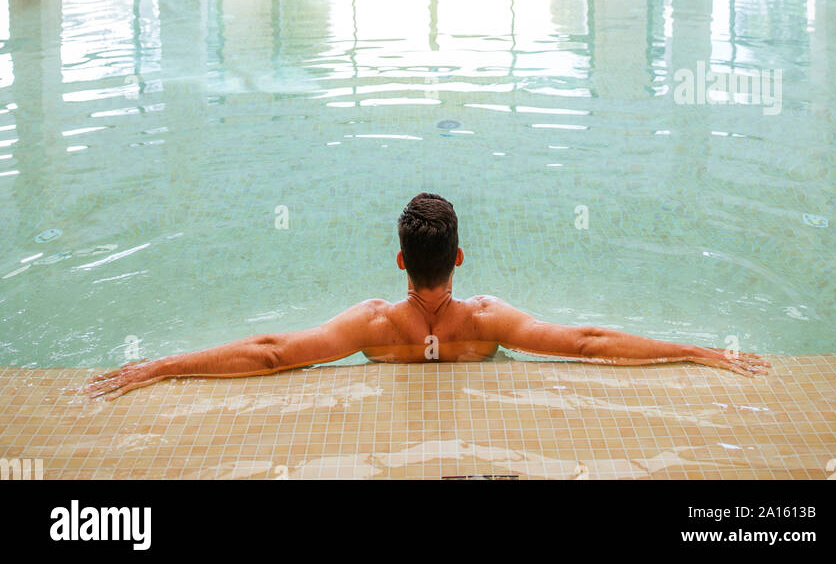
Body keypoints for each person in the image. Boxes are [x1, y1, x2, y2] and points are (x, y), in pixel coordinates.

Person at [87, 192, 769, 400]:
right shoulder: (488, 322)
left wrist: (161, 365)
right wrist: (698, 351)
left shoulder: (373, 327)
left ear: (400, 261)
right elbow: (588, 344)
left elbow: (271, 356)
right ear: (461, 258)